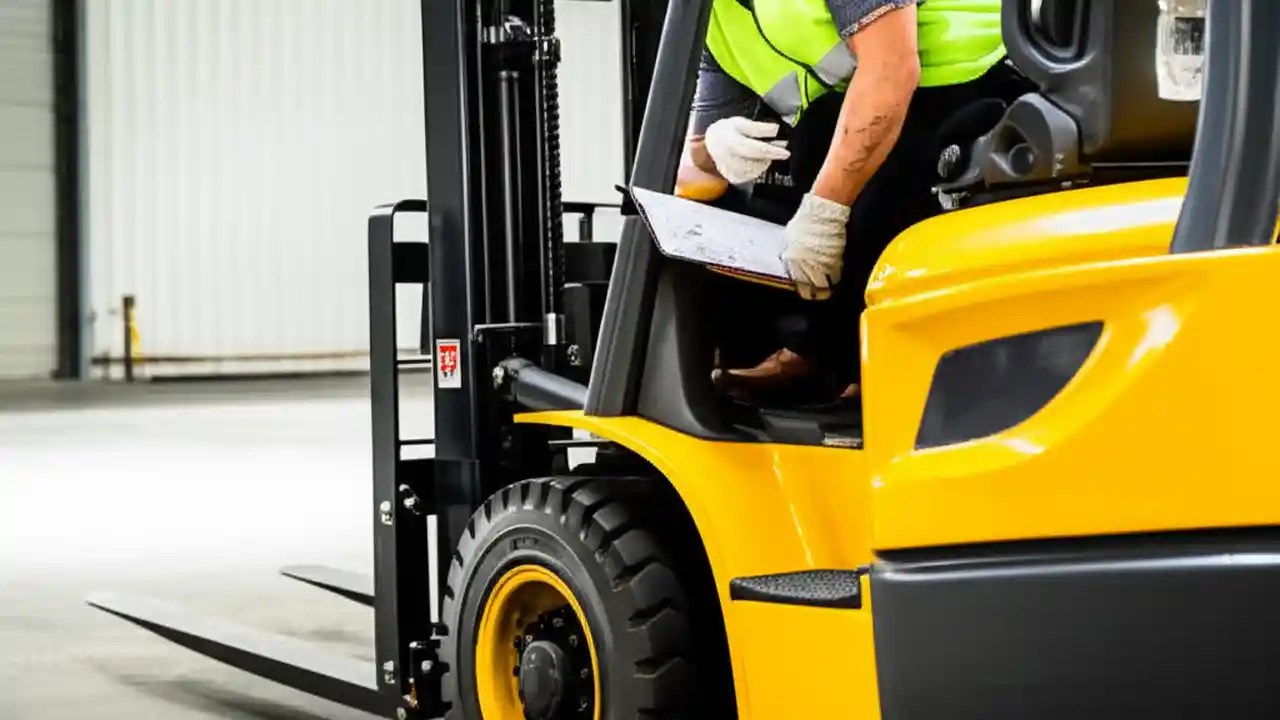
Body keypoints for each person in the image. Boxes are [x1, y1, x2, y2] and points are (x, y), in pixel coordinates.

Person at [677, 0, 1026, 405]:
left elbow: (891, 69)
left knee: (853, 172)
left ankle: (872, 370)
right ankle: (824, 355)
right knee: (803, 152)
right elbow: (696, 155)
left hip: (969, 84)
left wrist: (824, 212)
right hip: (860, 102)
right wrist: (718, 144)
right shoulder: (712, 16)